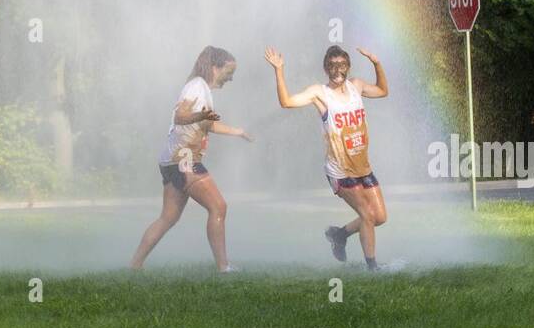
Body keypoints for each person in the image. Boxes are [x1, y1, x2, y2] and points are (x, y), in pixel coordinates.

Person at [264, 43, 389, 270]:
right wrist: (279, 70)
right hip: (340, 170)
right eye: (332, 65)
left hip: (363, 167)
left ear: (348, 66)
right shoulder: (320, 93)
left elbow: (382, 91)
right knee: (367, 214)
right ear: (325, 68)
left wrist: (377, 63)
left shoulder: (357, 86)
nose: (337, 69)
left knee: (379, 217)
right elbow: (286, 102)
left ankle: (339, 234)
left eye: (341, 64)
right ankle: (373, 267)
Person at [130, 46, 251, 272]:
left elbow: (208, 124)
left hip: (172, 161)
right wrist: (200, 115)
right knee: (218, 207)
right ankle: (223, 267)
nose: (231, 77)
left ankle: (135, 265)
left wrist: (238, 131)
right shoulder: (196, 86)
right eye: (229, 71)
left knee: (168, 218)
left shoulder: (202, 89)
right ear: (215, 68)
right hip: (184, 159)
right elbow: (180, 116)